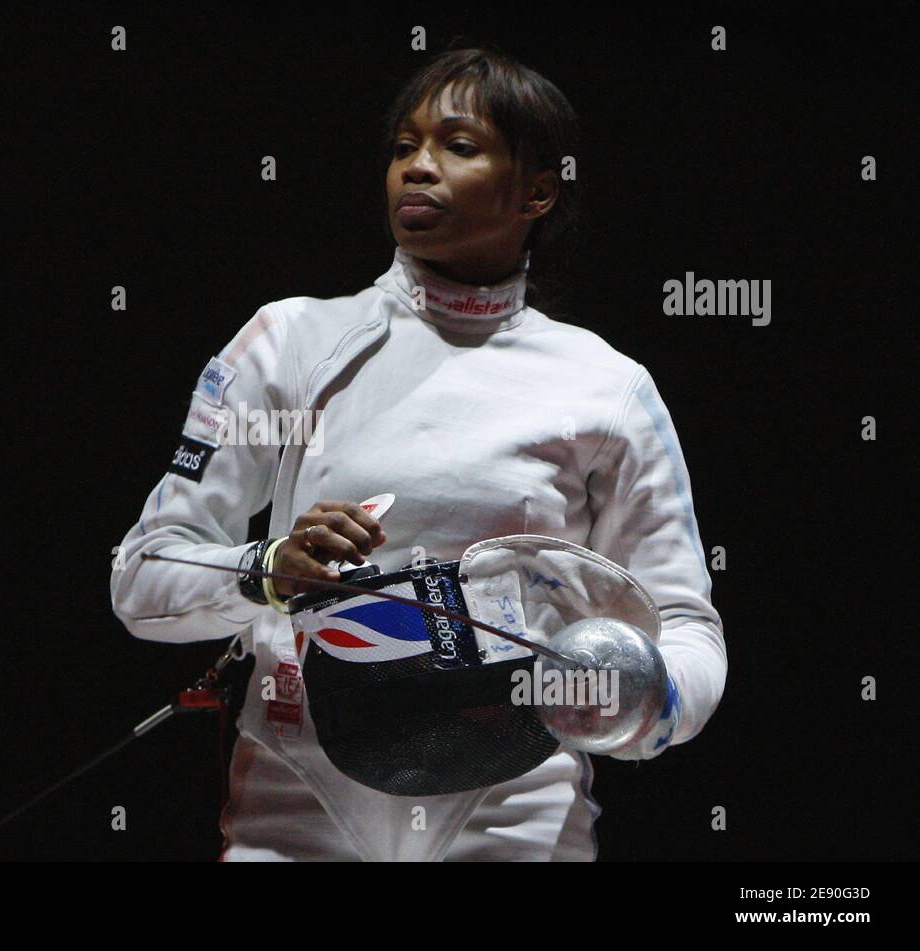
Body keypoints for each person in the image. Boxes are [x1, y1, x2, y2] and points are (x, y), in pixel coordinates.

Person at [109, 44, 726, 861]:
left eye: (458, 147)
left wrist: (642, 698)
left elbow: (682, 625)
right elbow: (144, 574)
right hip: (299, 797)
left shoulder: (603, 386)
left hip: (514, 806)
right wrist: (269, 570)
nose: (419, 168)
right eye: (405, 147)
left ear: (537, 189)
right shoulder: (293, 343)